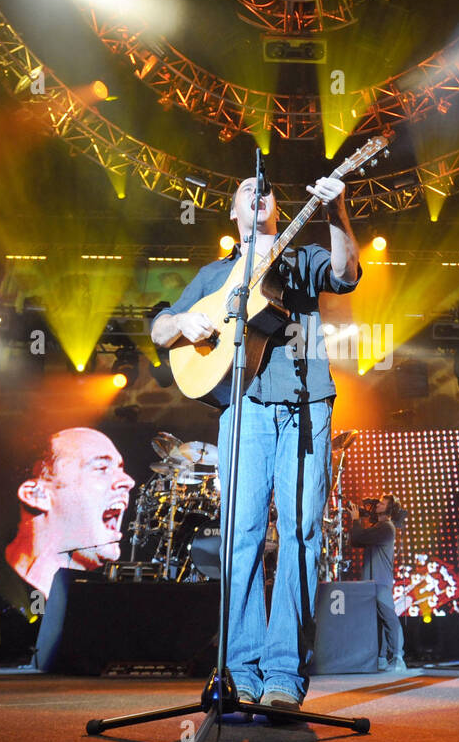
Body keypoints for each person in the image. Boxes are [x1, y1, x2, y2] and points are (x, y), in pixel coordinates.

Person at [151, 172, 359, 710]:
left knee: (300, 534)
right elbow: (158, 330)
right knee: (240, 536)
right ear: (233, 212)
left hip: (306, 401)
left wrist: (337, 211)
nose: (260, 191)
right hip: (242, 406)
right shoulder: (214, 274)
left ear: (275, 205)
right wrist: (186, 322)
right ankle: (238, 672)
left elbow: (346, 272)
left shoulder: (303, 257)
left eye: (267, 188)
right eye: (248, 188)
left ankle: (284, 676)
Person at [3, 427, 136, 603]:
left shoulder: (95, 607)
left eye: (120, 468)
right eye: (102, 467)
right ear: (37, 494)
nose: (128, 481)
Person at [348, 495, 408, 671]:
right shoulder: (378, 528)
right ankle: (381, 658)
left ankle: (398, 657)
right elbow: (356, 540)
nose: (378, 505)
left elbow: (358, 537)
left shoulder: (386, 528)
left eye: (382, 503)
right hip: (372, 582)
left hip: (380, 581)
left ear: (389, 509)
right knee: (379, 621)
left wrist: (356, 520)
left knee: (389, 618)